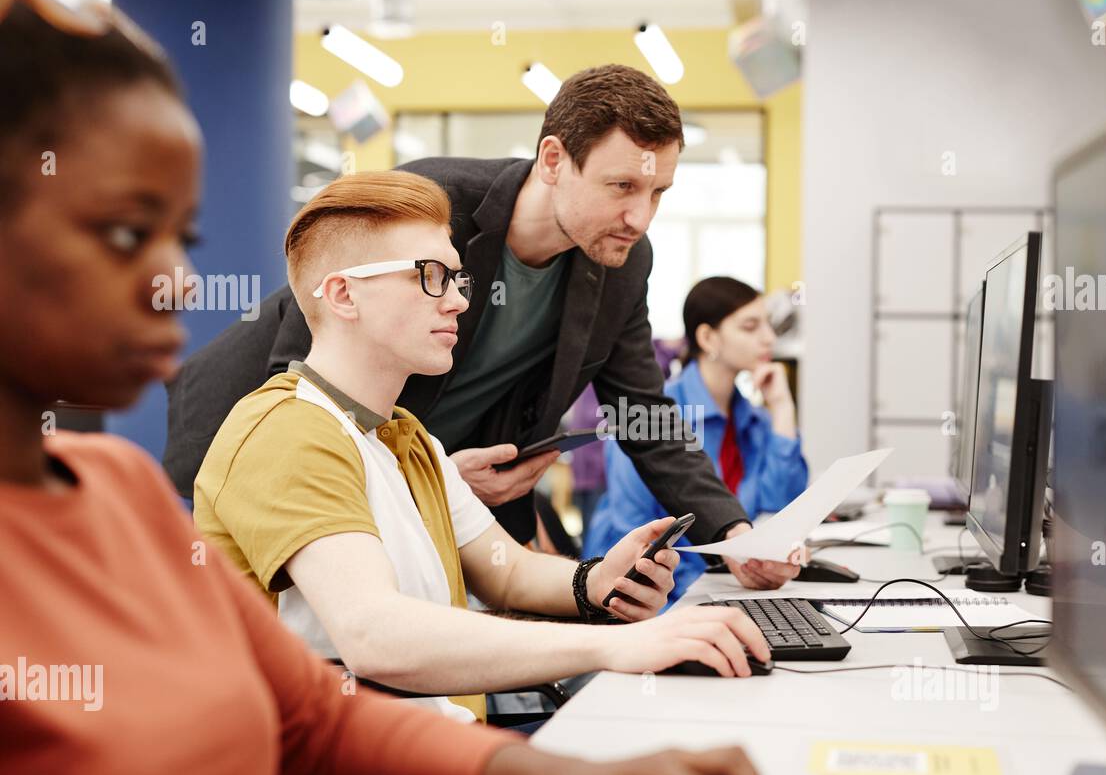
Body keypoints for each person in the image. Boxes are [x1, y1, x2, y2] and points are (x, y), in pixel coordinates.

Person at [0, 0, 787, 775]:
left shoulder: (121, 490)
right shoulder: (291, 425)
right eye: (124, 232)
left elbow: (313, 719)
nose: (181, 284)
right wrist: (617, 649)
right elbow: (366, 620)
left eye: (182, 240)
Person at [163, 63, 800, 593]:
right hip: (264, 444)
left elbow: (643, 412)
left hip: (435, 474)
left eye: (658, 192)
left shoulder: (622, 263)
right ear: (553, 159)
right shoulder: (431, 207)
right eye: (621, 186)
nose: (641, 217)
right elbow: (306, 376)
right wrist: (418, 480)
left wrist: (734, 534)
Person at [194, 171, 775, 733]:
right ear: (344, 295)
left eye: (456, 279)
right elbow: (373, 634)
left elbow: (508, 572)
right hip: (353, 773)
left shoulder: (408, 438)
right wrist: (616, 645)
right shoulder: (288, 432)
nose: (456, 302)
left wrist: (597, 581)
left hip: (439, 741)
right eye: (429, 276)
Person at [585, 277, 809, 605]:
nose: (769, 338)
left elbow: (779, 508)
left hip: (728, 587)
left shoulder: (753, 420)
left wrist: (783, 409)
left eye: (768, 325)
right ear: (707, 338)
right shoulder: (651, 418)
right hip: (651, 596)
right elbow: (632, 535)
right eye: (750, 327)